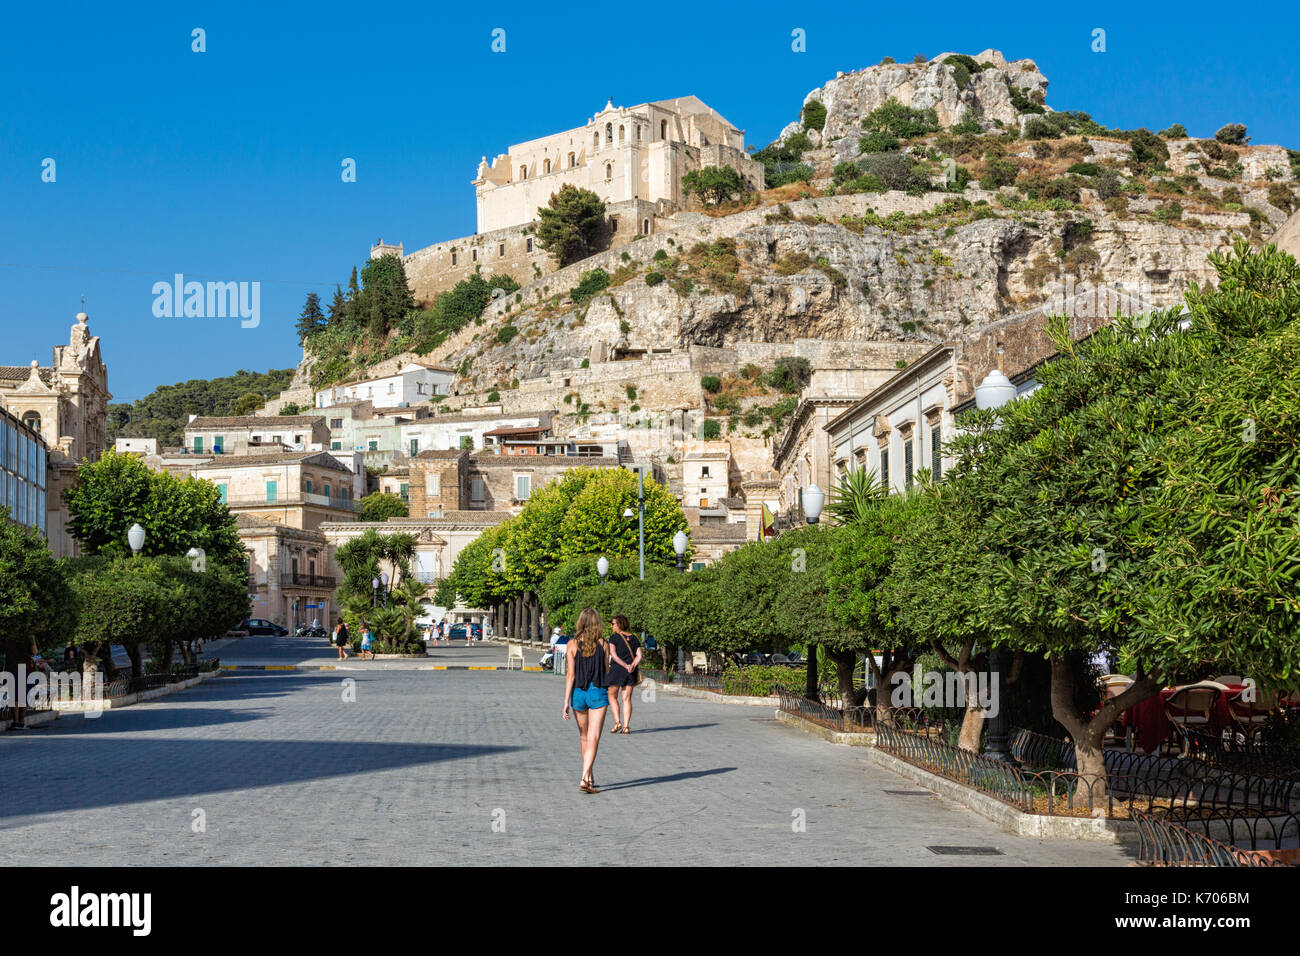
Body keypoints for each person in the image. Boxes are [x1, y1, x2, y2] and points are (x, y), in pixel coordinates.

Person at [562, 607, 609, 793]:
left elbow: (570, 675)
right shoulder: (603, 644)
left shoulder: (572, 644)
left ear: (580, 622)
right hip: (597, 691)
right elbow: (606, 671)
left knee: (583, 737)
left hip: (578, 694)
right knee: (594, 737)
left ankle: (588, 775)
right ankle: (584, 776)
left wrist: (566, 702)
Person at [605, 615, 642, 734]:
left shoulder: (614, 637)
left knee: (612, 695)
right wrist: (632, 665)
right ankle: (626, 726)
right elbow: (639, 656)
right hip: (631, 672)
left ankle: (617, 722)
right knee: (626, 699)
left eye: (613, 624)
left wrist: (625, 665)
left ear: (619, 624)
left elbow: (613, 655)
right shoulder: (634, 638)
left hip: (617, 670)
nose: (612, 626)